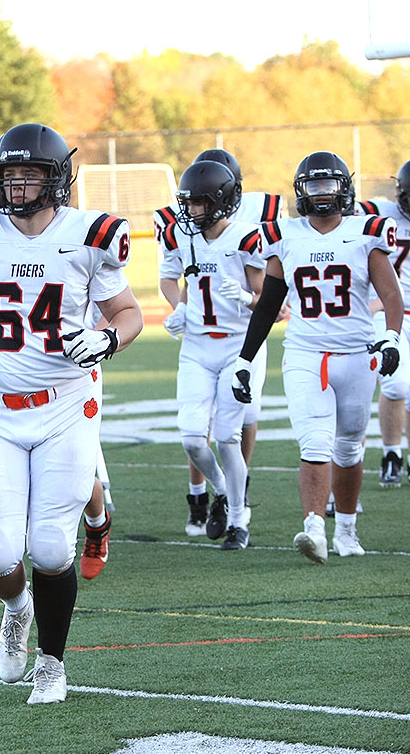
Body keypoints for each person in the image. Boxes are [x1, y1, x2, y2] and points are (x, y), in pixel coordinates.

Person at [0, 122, 142, 705]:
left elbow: (127, 312)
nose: (17, 185)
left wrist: (106, 339)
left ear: (57, 179)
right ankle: (17, 606)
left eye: (30, 174)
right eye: (8, 174)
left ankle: (52, 663)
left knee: (50, 546)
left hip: (66, 404)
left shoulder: (91, 235)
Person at [232, 151, 402, 563]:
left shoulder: (367, 232)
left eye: (329, 185)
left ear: (344, 189)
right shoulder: (284, 236)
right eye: (314, 186)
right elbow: (269, 304)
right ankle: (313, 529)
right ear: (301, 191)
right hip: (305, 353)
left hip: (356, 353)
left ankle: (346, 530)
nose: (322, 194)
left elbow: (391, 295)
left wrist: (392, 337)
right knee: (314, 441)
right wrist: (244, 359)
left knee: (349, 447)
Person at [158, 148, 279, 532]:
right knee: (193, 440)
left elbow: (270, 302)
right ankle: (225, 489)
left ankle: (239, 520)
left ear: (221, 202)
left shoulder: (246, 238)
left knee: (227, 437)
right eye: (188, 202)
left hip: (237, 346)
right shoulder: (180, 235)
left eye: (200, 203)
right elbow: (172, 278)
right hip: (196, 346)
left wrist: (245, 297)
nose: (191, 210)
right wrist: (179, 307)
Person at [358, 159, 410, 487]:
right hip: (387, 310)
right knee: (396, 384)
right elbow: (342, 213)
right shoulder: (379, 212)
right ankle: (392, 453)